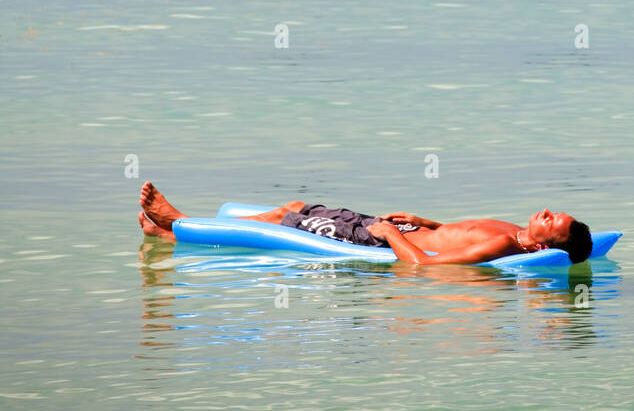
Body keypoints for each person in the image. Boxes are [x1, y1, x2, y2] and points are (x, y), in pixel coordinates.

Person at [138, 182, 593, 265]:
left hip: (377, 242)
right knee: (295, 204)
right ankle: (165, 232)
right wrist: (420, 220)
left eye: (553, 221)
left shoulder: (504, 248)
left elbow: (427, 267)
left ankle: (178, 221)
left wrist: (394, 234)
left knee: (285, 217)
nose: (547, 212)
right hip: (397, 229)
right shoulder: (512, 229)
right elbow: (454, 230)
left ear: (544, 246)